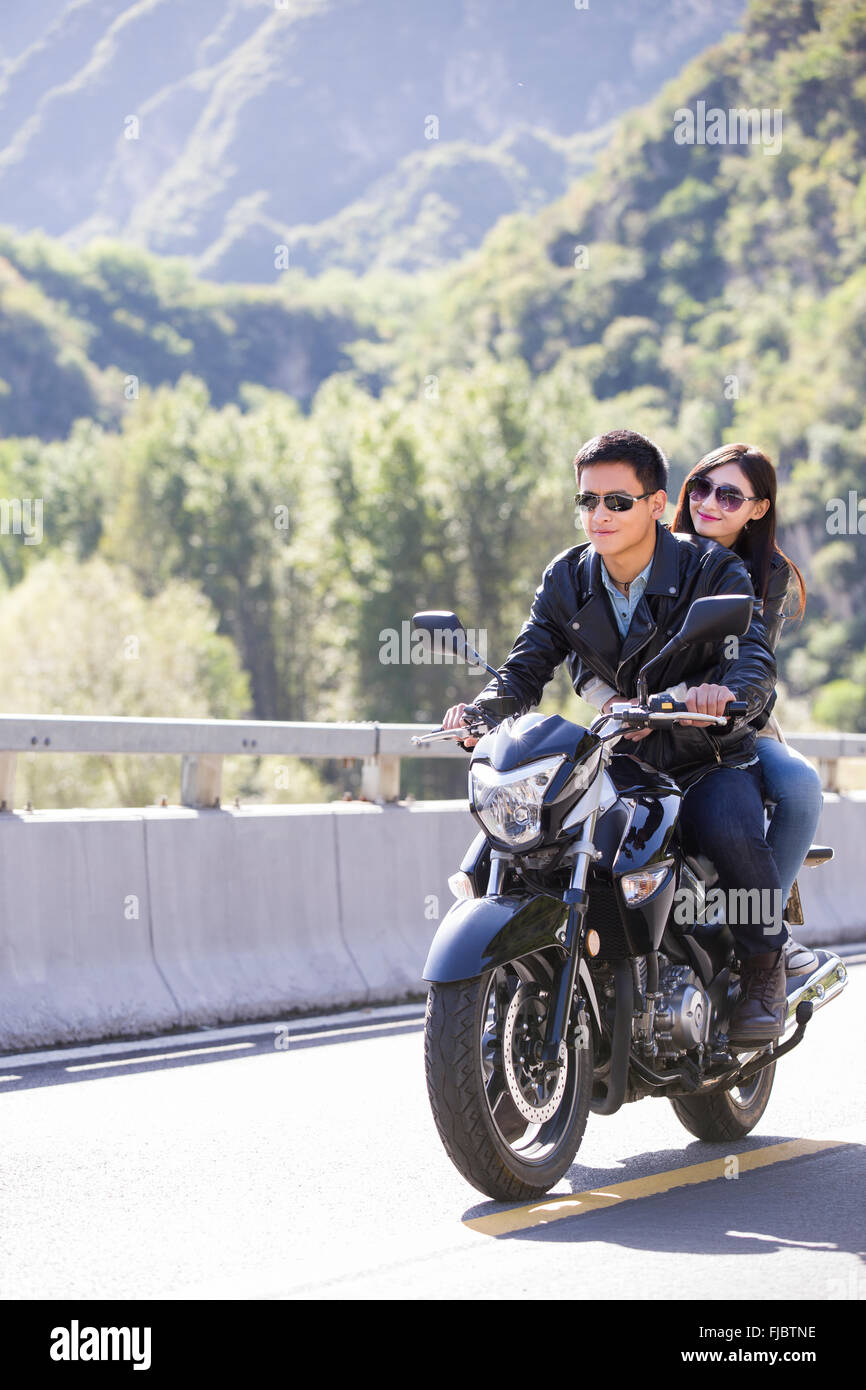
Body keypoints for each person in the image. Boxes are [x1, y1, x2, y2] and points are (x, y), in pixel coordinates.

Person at [443, 428, 787, 1044]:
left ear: (656, 505)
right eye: (587, 501)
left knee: (729, 826)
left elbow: (754, 660)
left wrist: (723, 696)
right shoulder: (567, 577)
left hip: (703, 756)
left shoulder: (711, 567)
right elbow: (526, 666)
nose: (598, 515)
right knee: (523, 837)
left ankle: (766, 965)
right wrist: (481, 712)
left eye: (617, 501)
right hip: (620, 757)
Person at [670, 443, 822, 977]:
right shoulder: (652, 553)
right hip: (651, 720)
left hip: (739, 722)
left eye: (729, 495)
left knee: (800, 785)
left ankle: (762, 933)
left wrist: (718, 703)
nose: (709, 503)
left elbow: (752, 662)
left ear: (758, 508)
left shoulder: (768, 572)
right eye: (701, 488)